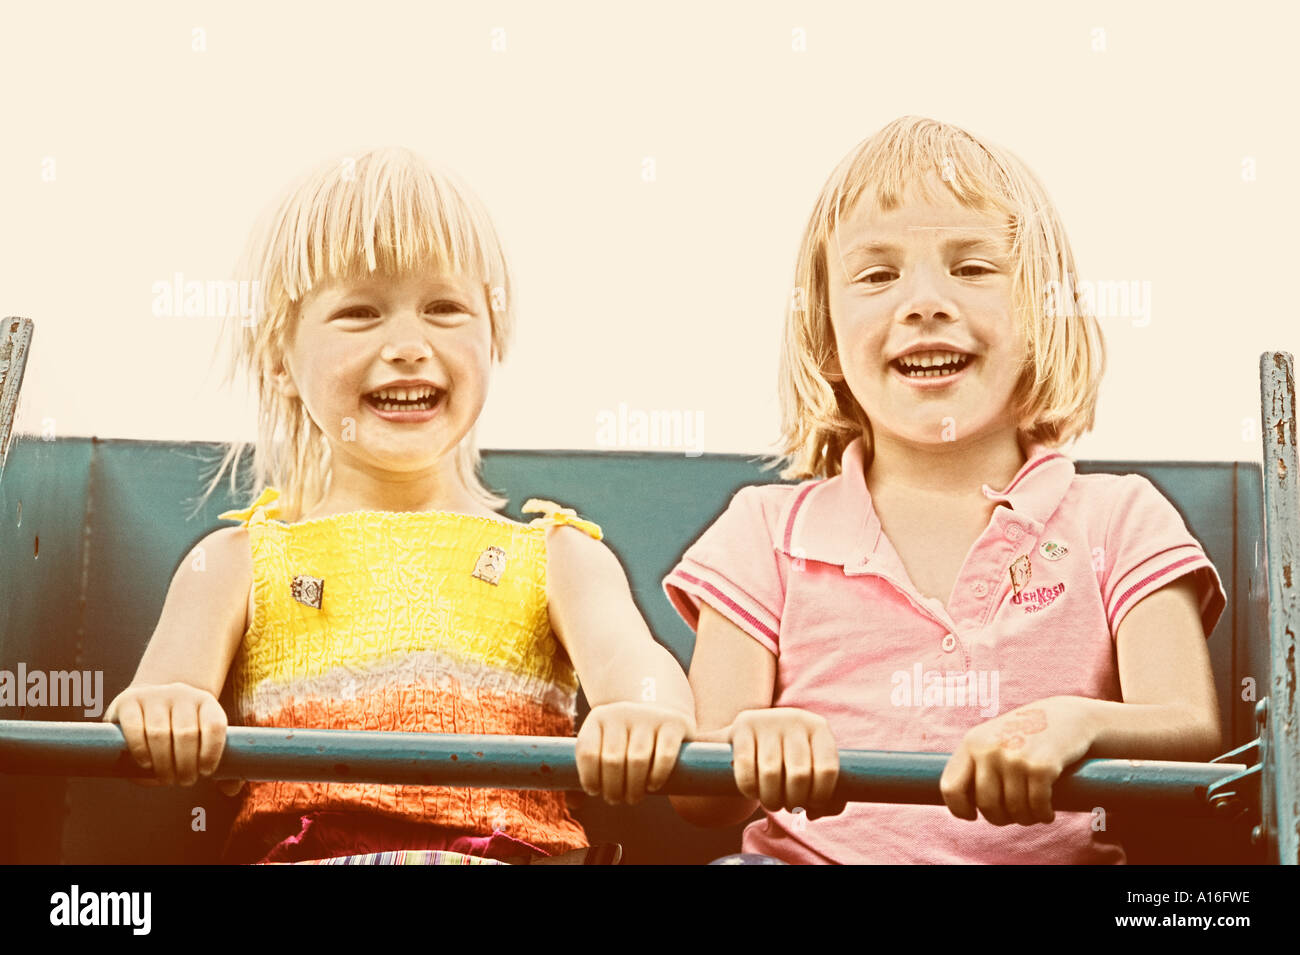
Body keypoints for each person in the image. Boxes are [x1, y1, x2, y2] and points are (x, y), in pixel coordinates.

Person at [104, 147, 694, 865]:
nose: (409, 345)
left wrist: (643, 715)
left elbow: (641, 669)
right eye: (359, 312)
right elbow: (157, 696)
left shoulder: (558, 558)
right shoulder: (235, 564)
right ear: (280, 365)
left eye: (444, 308)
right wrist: (170, 709)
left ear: (493, 335)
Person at [663, 116, 1226, 864]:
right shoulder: (762, 533)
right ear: (827, 334)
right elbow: (701, 795)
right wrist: (755, 741)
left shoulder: (1119, 518)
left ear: (1040, 314)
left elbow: (1191, 729)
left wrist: (1073, 723)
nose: (925, 301)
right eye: (877, 274)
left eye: (972, 268)